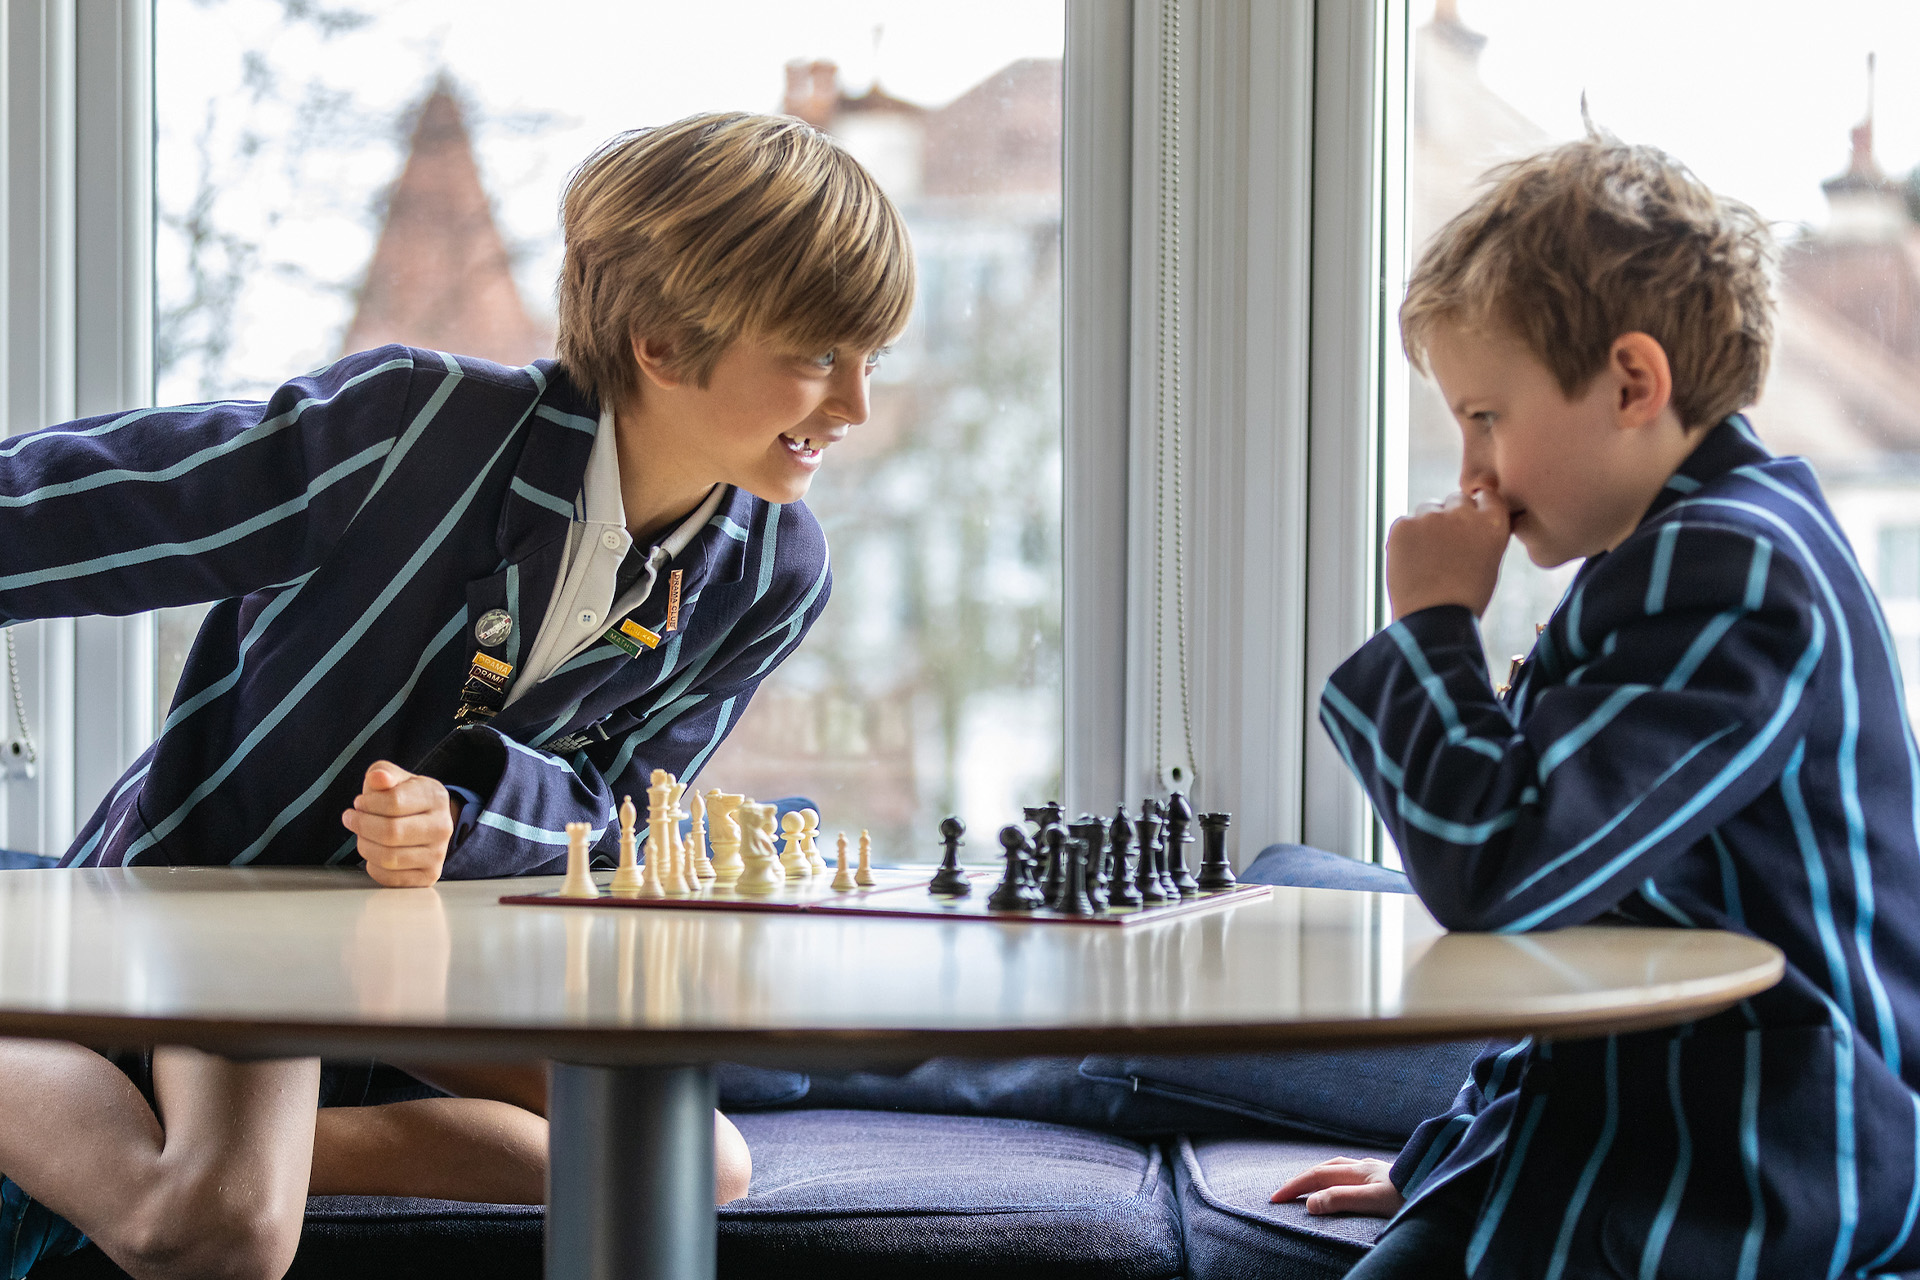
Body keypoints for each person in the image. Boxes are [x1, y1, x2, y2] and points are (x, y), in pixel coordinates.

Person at [0, 110, 912, 1276]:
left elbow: (625, 820)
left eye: (870, 357)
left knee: (695, 1159)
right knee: (220, 1226)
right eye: (816, 356)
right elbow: (98, 504)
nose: (854, 407)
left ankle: (228, 1135)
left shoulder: (776, 570)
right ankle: (199, 1139)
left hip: (430, 947)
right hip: (236, 909)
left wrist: (470, 816)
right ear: (664, 344)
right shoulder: (412, 426)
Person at [1272, 133, 1920, 1277]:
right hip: (1628, 1129)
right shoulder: (1673, 564)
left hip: (1752, 1177)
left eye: (1486, 416)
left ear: (1632, 382)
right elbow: (1591, 931)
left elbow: (1506, 872)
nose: (1472, 470)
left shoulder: (1731, 574)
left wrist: (1431, 627)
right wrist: (1442, 1160)